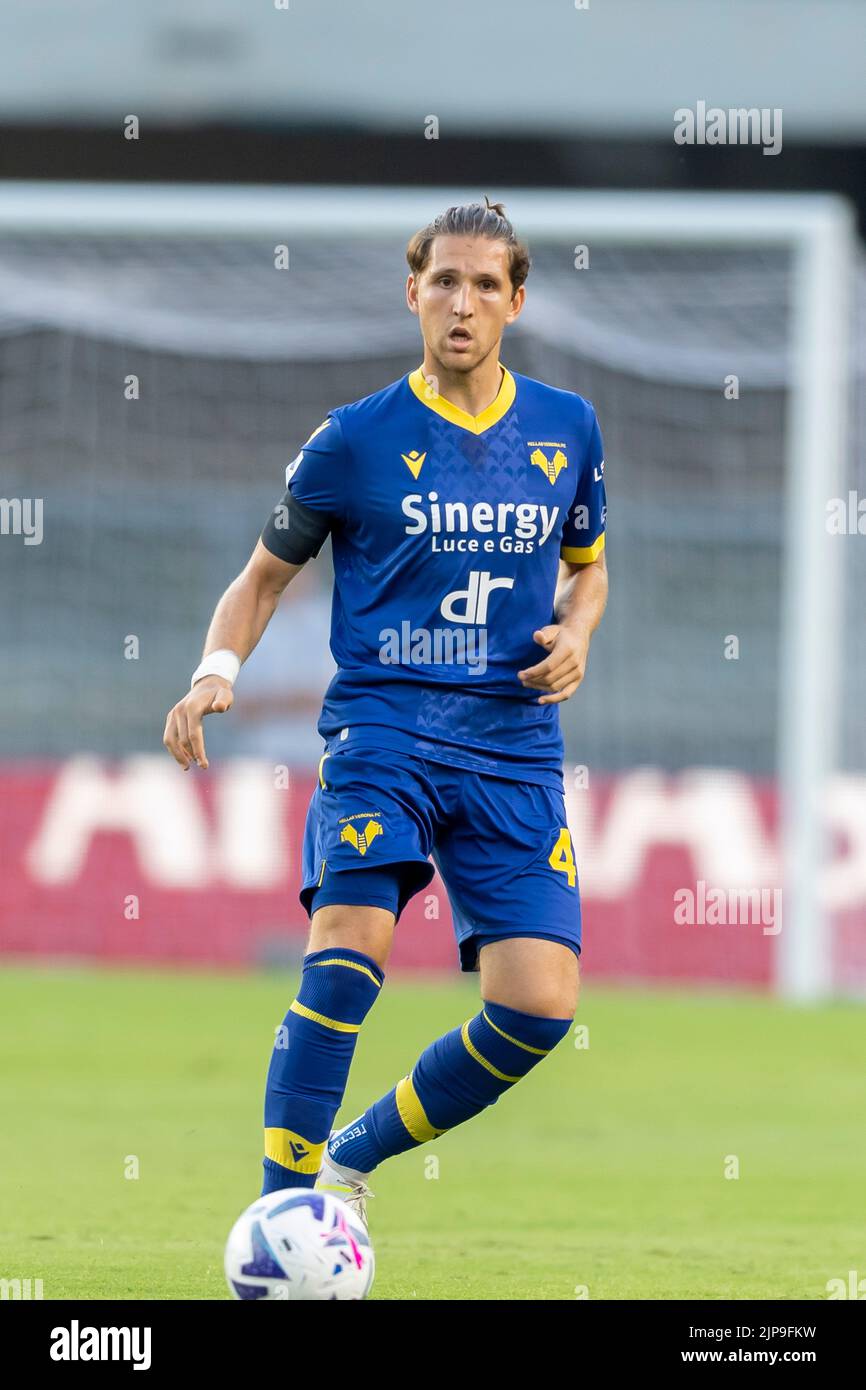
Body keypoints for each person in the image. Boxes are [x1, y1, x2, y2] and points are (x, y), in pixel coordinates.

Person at [163, 198, 608, 1226]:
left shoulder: (565, 428)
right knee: (349, 946)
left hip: (512, 745)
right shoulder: (352, 440)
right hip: (384, 729)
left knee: (537, 1007)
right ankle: (280, 1219)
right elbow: (262, 577)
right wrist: (212, 668)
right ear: (412, 293)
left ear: (515, 301)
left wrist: (577, 632)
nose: (462, 302)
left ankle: (348, 1161)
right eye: (443, 281)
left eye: (484, 284)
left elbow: (586, 572)